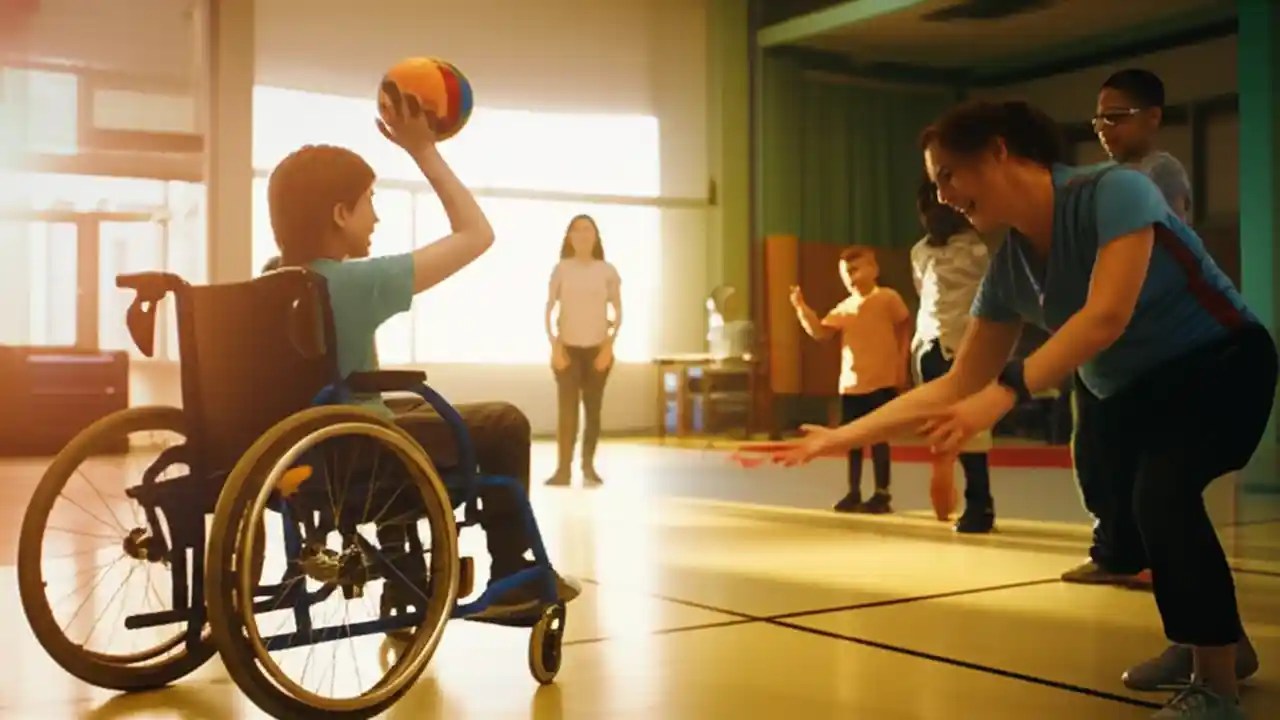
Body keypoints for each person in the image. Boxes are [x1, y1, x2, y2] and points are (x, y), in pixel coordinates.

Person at [770, 99, 1275, 719]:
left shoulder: (1112, 193)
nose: (944, 194)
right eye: (936, 184)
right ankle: (1214, 641)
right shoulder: (1009, 270)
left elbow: (1106, 315)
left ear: (1000, 151)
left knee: (1162, 493)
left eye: (949, 174)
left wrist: (1008, 390)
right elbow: (957, 381)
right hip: (1136, 391)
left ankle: (1216, 690)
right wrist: (842, 437)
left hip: (1222, 364)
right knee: (1130, 506)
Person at [266, 86, 580, 620]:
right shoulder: (357, 283)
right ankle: (510, 571)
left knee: (401, 410)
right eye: (370, 202)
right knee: (502, 423)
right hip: (355, 457)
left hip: (294, 454)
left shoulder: (272, 281)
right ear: (341, 213)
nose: (377, 218)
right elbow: (476, 234)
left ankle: (403, 571)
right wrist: (423, 150)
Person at [1076, 66, 1261, 693]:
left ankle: (1209, 660)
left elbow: (1152, 258)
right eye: (1099, 117)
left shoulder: (1155, 175)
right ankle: (1216, 644)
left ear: (1153, 116)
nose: (1105, 128)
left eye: (1118, 115)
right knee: (1155, 503)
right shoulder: (1111, 181)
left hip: (1191, 365)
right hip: (1141, 369)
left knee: (1163, 499)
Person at [789, 245, 911, 514]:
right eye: (845, 272)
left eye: (856, 269)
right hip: (851, 385)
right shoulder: (844, 308)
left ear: (874, 269)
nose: (850, 276)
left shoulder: (887, 298)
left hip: (881, 380)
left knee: (879, 437)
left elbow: (904, 326)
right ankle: (853, 491)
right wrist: (800, 307)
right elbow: (820, 332)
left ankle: (882, 493)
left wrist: (902, 363)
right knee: (851, 440)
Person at [910, 179, 995, 533]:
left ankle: (980, 502)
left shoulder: (979, 249)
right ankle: (946, 482)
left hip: (967, 346)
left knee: (971, 427)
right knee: (936, 421)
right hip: (928, 345)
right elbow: (922, 292)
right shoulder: (920, 252)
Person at [544, 214, 621, 487]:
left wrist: (608, 345)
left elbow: (617, 311)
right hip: (568, 350)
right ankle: (563, 469)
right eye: (576, 230)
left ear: (596, 236)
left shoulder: (607, 271)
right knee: (567, 412)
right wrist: (555, 345)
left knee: (593, 410)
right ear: (569, 238)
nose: (582, 235)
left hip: (597, 350)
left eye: (587, 229)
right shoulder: (561, 269)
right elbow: (550, 307)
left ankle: (588, 466)